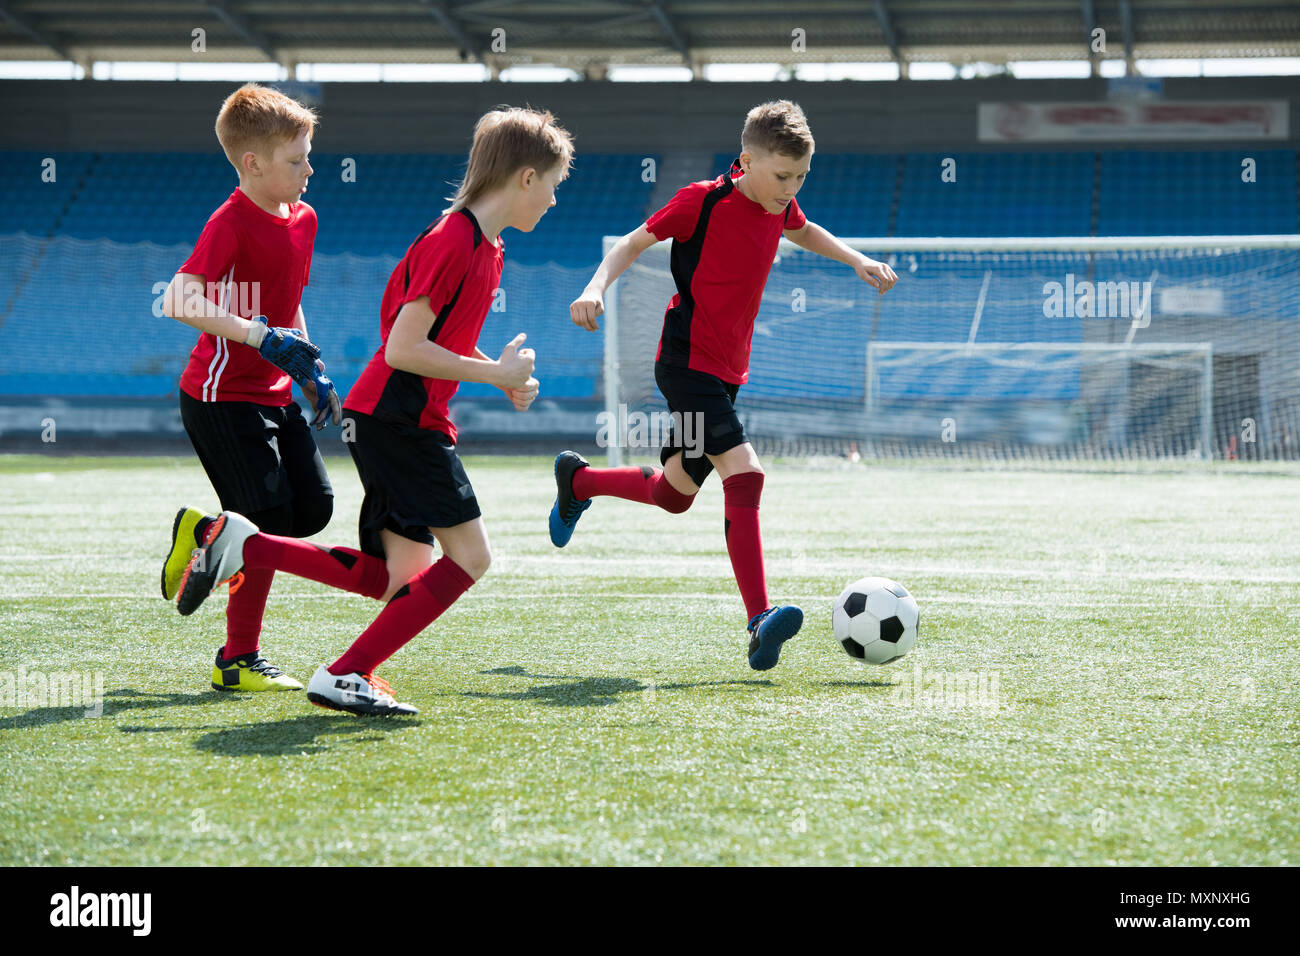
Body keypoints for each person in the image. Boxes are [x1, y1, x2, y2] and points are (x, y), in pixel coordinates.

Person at [173, 107, 570, 716]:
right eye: (551, 184)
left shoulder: (484, 246)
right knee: (473, 557)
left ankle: (252, 556)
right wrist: (493, 373)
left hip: (394, 414)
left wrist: (499, 377)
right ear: (523, 177)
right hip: (398, 420)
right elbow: (405, 348)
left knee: (398, 578)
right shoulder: (454, 240)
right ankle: (342, 669)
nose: (552, 198)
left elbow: (438, 340)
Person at [551, 100, 898, 671]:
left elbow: (803, 228)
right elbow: (633, 243)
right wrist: (595, 288)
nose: (791, 188)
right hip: (686, 365)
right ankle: (759, 618)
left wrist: (856, 259)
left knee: (675, 493)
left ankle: (579, 481)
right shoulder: (702, 201)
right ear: (746, 161)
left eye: (801, 177)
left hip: (727, 374)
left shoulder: (777, 204)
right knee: (748, 473)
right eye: (782, 175)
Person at [159, 82, 340, 693]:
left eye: (310, 155)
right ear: (252, 164)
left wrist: (309, 372)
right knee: (260, 523)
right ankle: (237, 658)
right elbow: (178, 298)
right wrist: (261, 339)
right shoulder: (230, 222)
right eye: (297, 160)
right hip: (219, 399)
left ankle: (205, 534)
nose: (311, 169)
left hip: (273, 395)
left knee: (312, 511)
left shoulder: (305, 218)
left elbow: (290, 307)